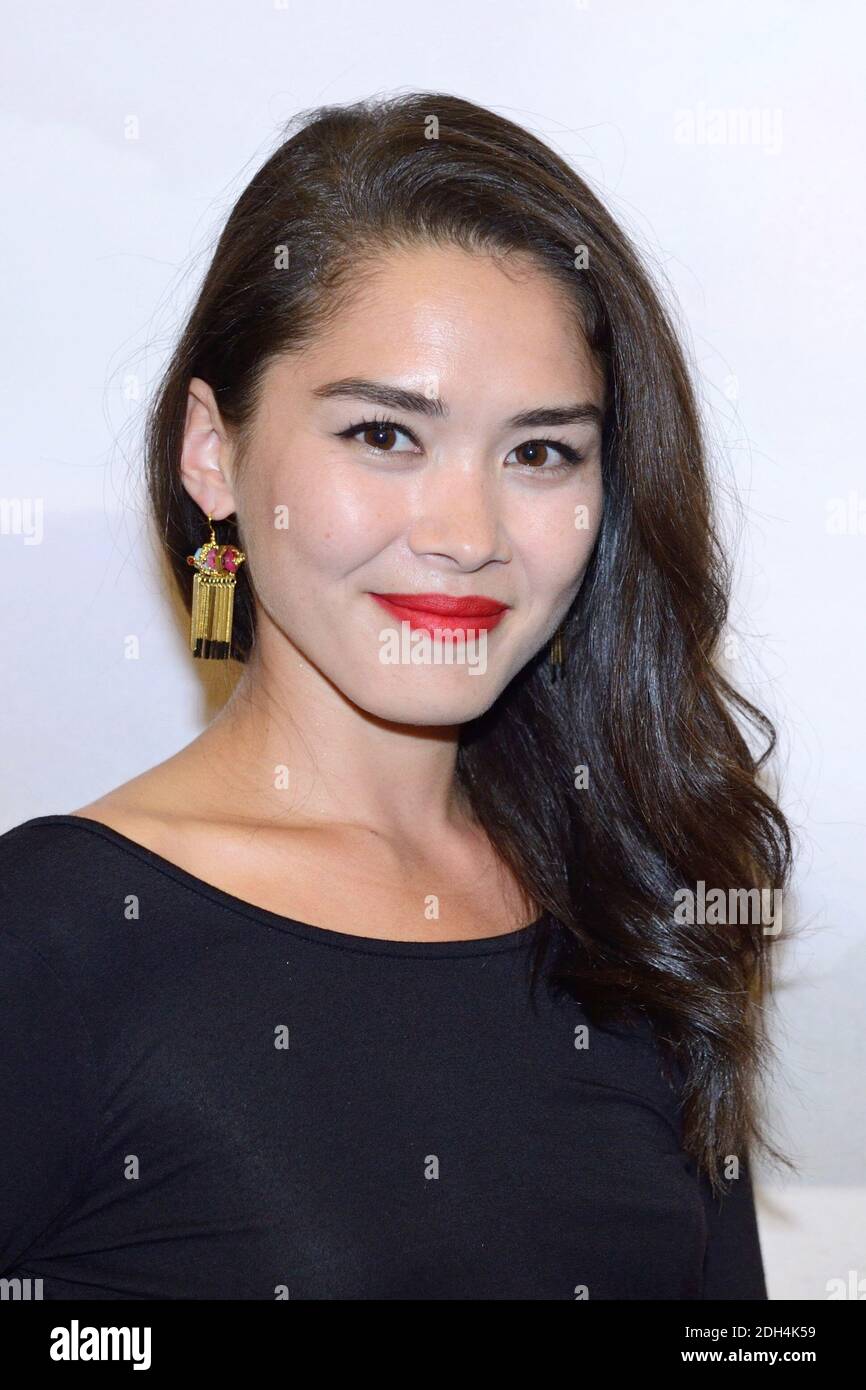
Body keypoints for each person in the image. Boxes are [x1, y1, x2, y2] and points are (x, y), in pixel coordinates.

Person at [0, 91, 794, 1300]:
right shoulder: (51, 936)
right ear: (212, 451)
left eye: (539, 452)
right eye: (384, 435)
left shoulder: (635, 895)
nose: (467, 534)